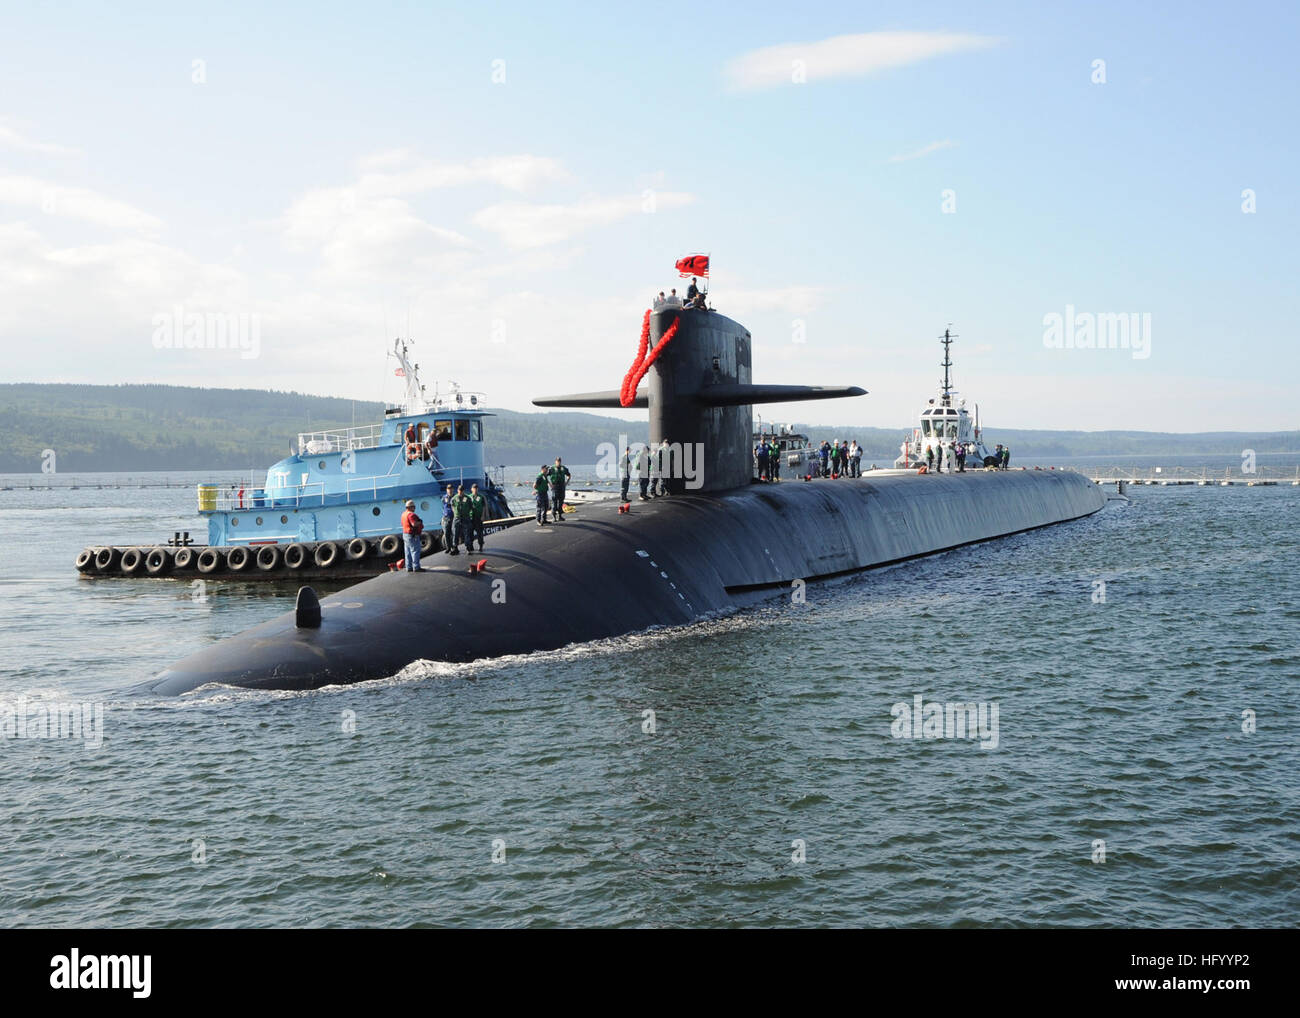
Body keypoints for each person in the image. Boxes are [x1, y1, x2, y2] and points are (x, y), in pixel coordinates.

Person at [401, 498, 423, 572]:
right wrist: (419, 522)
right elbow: (414, 524)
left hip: (405, 534)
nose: (414, 508)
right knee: (415, 550)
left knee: (407, 552)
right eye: (414, 506)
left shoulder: (403, 514)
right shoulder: (411, 515)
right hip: (412, 535)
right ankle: (416, 567)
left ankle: (408, 567)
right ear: (410, 507)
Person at [451, 484, 473, 549]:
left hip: (465, 517)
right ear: (457, 490)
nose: (460, 491)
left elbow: (470, 507)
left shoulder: (468, 498)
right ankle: (455, 547)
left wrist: (466, 512)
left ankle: (468, 547)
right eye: (459, 490)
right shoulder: (454, 498)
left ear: (463, 491)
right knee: (455, 532)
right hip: (457, 518)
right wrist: (455, 513)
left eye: (462, 490)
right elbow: (452, 506)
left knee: (467, 532)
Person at [468, 482, 487, 551]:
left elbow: (484, 507)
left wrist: (483, 515)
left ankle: (480, 545)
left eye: (476, 488)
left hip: (478, 517)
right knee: (470, 532)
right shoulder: (468, 497)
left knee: (479, 532)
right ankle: (471, 545)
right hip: (470, 517)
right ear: (471, 489)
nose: (475, 489)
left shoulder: (481, 497)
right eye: (474, 488)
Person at [441, 486, 456, 554]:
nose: (450, 490)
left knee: (454, 533)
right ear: (447, 490)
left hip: (453, 517)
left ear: (453, 489)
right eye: (448, 489)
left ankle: (454, 547)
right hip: (446, 518)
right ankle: (448, 547)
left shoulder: (455, 497)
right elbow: (443, 506)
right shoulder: (444, 498)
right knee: (446, 533)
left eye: (451, 489)